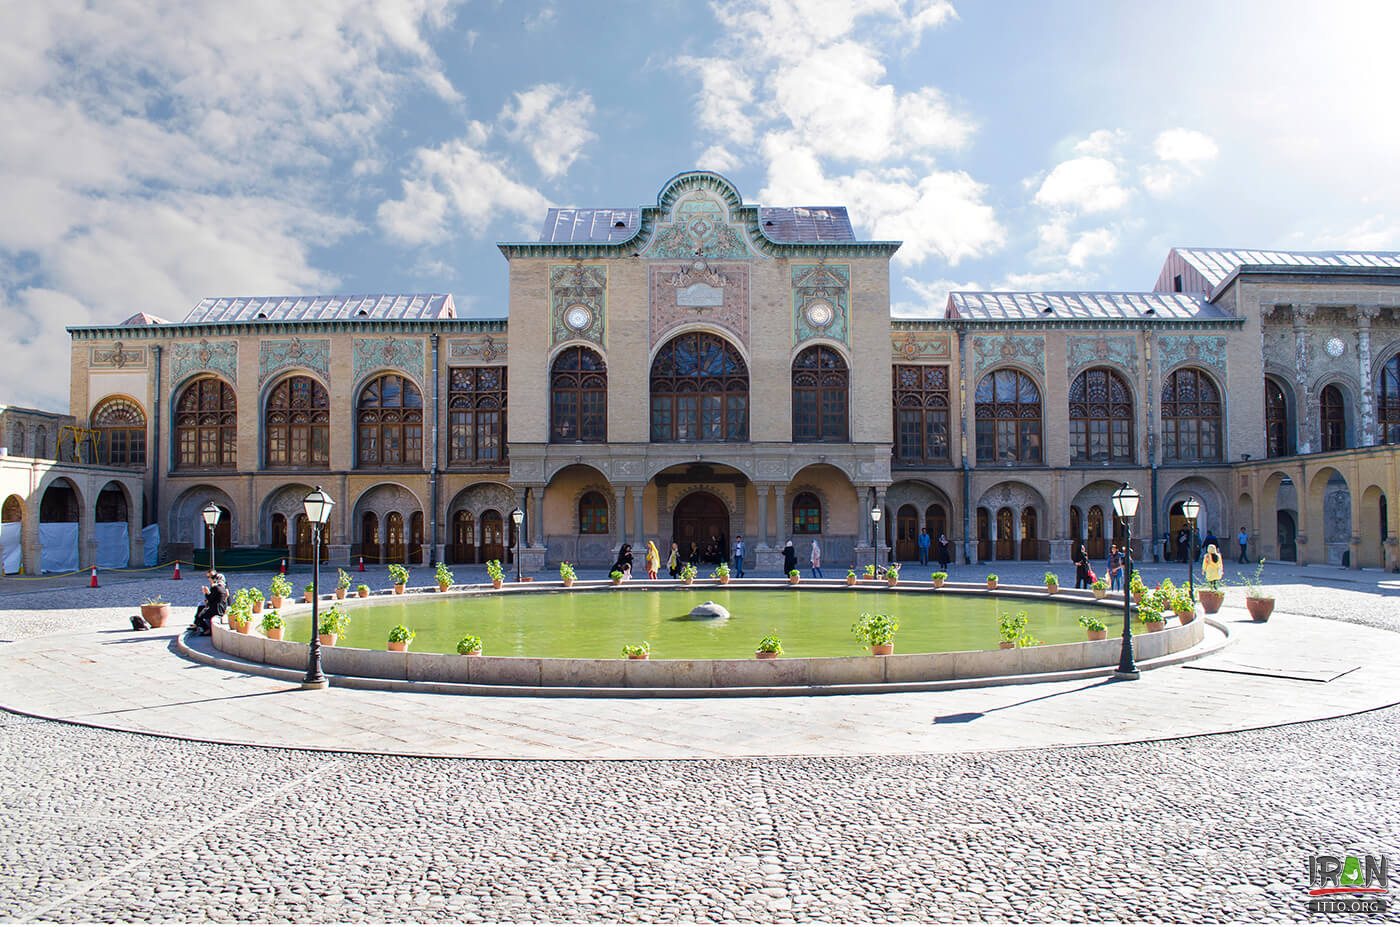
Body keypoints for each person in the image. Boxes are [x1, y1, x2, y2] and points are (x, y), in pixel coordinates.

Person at [190, 571, 229, 636]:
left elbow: (210, 600)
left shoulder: (216, 587)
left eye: (209, 577)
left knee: (200, 616)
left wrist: (206, 593)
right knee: (201, 607)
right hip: (219, 607)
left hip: (216, 609)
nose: (208, 579)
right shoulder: (221, 587)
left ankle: (206, 629)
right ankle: (197, 624)